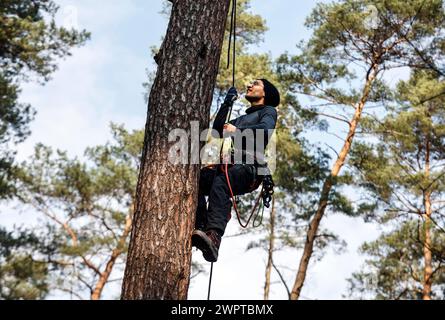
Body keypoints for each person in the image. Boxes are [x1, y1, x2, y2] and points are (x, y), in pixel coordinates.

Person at [192, 79, 280, 262]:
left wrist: (236, 129)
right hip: (232, 165)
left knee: (221, 182)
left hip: (249, 168)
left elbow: (265, 130)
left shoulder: (268, 111)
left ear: (265, 93)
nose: (249, 85)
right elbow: (217, 130)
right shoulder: (241, 118)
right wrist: (227, 103)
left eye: (255, 84)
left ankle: (214, 237)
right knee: (198, 179)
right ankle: (200, 226)